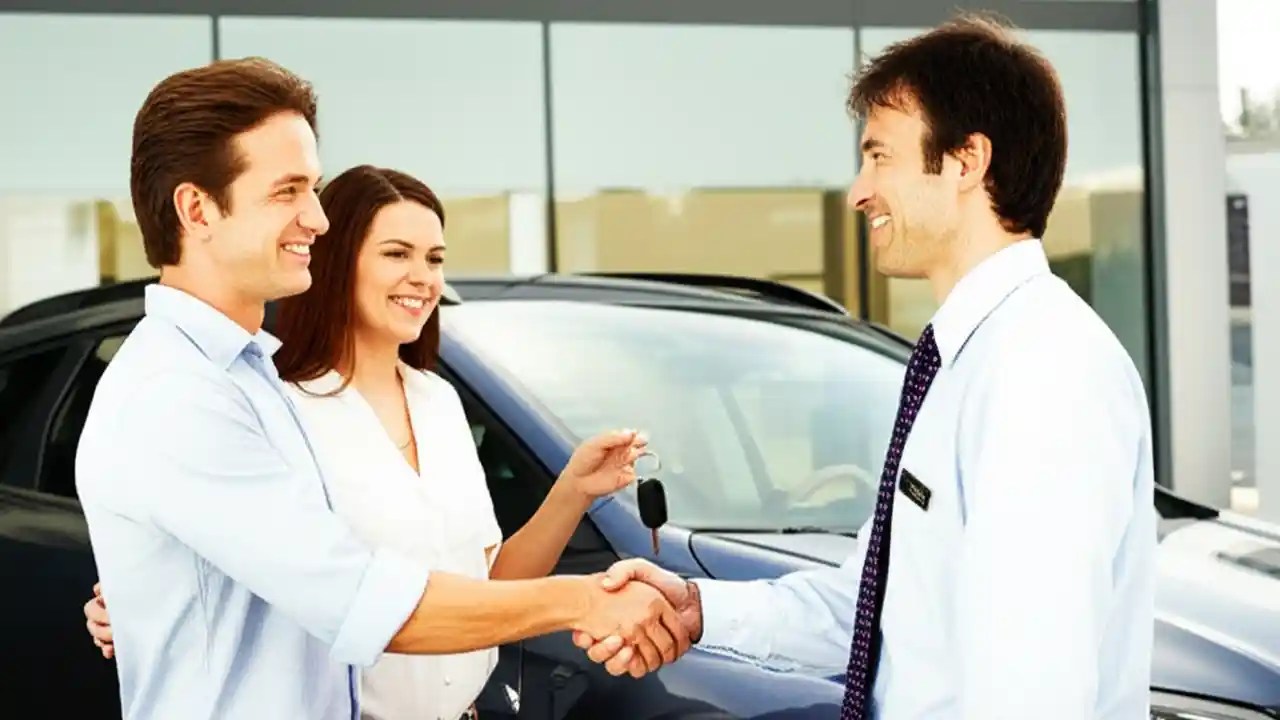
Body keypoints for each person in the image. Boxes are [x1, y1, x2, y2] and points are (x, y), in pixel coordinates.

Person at [574, 13, 1157, 720]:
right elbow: (879, 614)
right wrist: (696, 609)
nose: (857, 191)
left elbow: (1033, 689)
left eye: (880, 156)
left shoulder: (1044, 369)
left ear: (967, 161)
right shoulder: (964, 361)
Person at [75, 57, 688, 720]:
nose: (318, 218)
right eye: (288, 191)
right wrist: (586, 599)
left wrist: (153, 595)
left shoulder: (251, 380)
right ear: (196, 208)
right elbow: (361, 600)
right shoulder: (179, 394)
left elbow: (288, 571)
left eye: (314, 189)